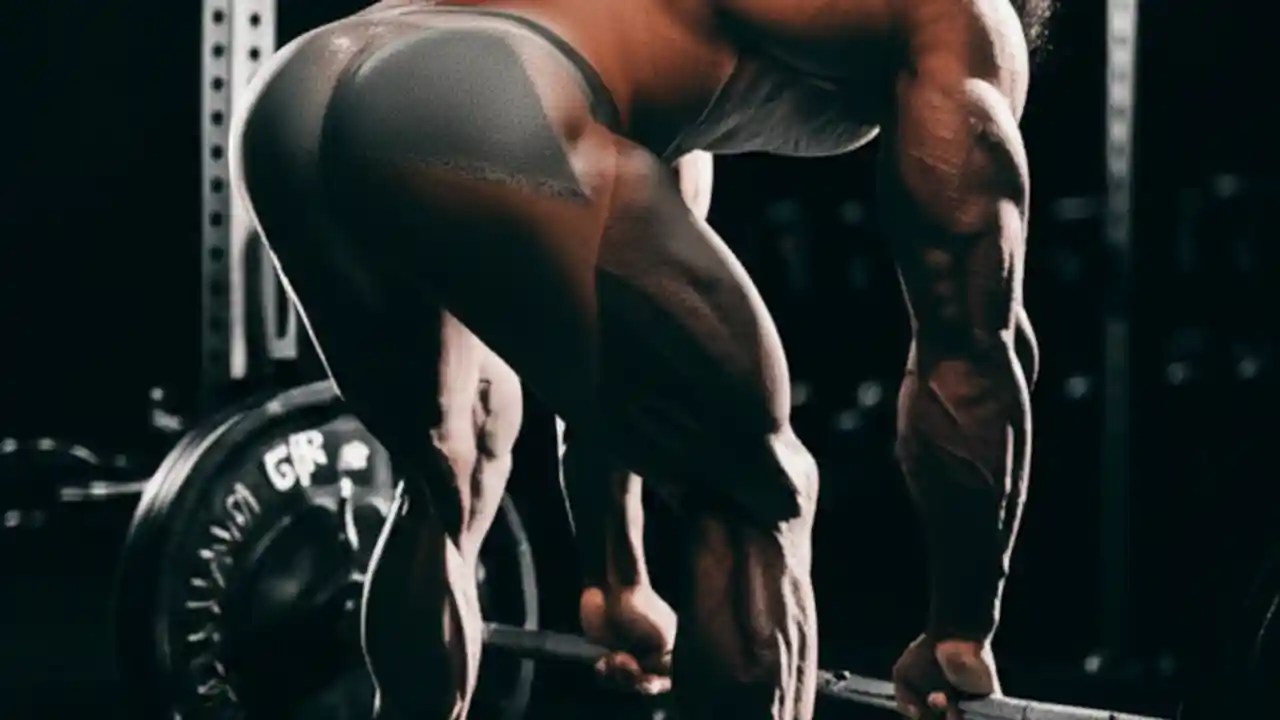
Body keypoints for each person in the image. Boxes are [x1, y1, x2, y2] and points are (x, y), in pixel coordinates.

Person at [230, 0, 1048, 717]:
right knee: (758, 491)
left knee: (449, 462)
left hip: (300, 92)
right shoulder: (964, 18)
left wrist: (617, 583)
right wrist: (960, 631)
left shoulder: (667, 72)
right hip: (477, 95)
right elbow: (973, 352)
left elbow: (622, 366)